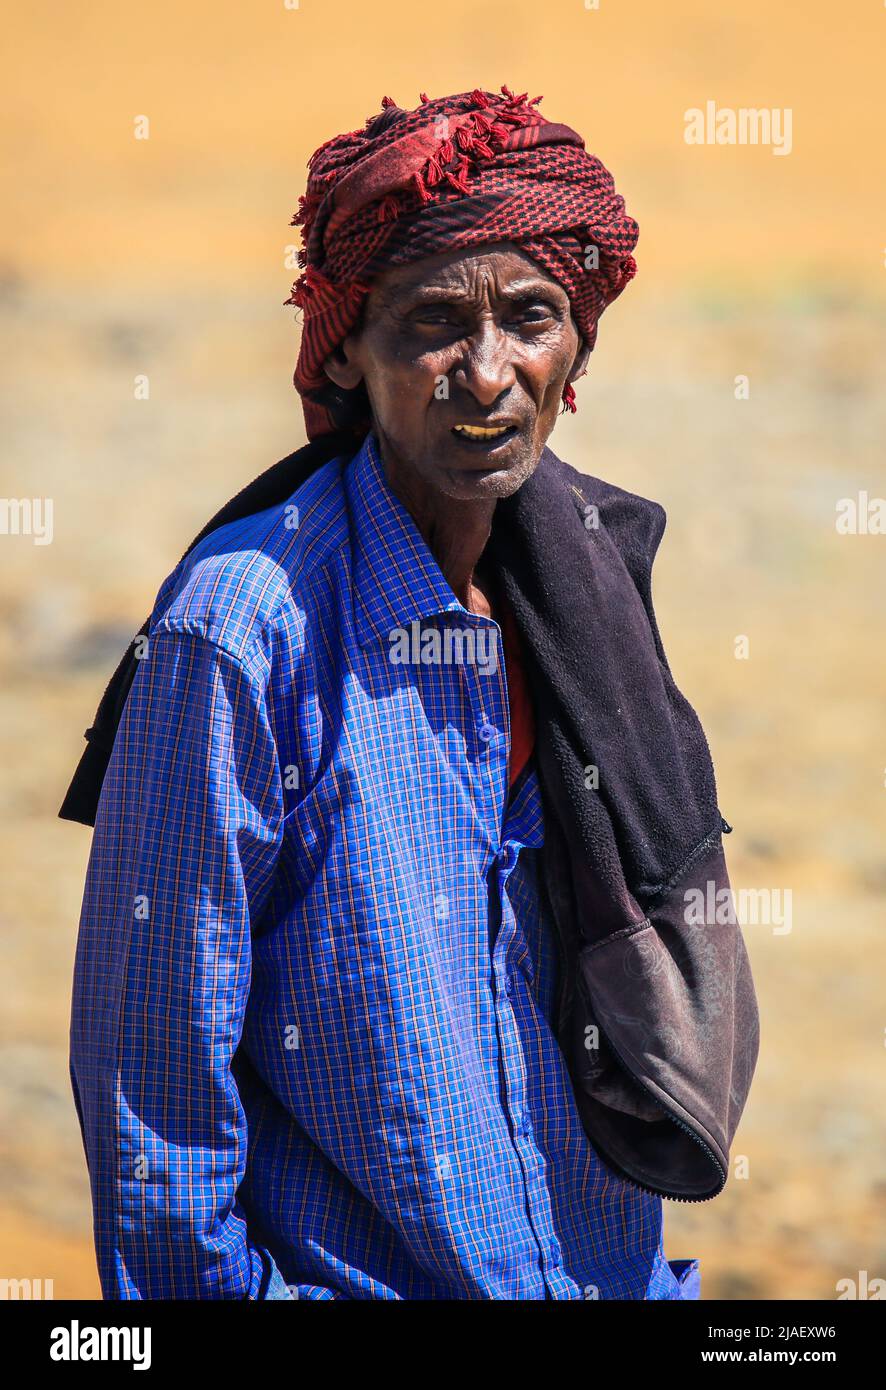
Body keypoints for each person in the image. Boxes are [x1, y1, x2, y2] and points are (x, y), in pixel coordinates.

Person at [64, 85, 758, 1300]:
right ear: (344, 344)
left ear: (576, 347)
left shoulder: (582, 582)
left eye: (530, 320)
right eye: (435, 323)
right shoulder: (240, 634)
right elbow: (156, 1073)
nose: (487, 375)